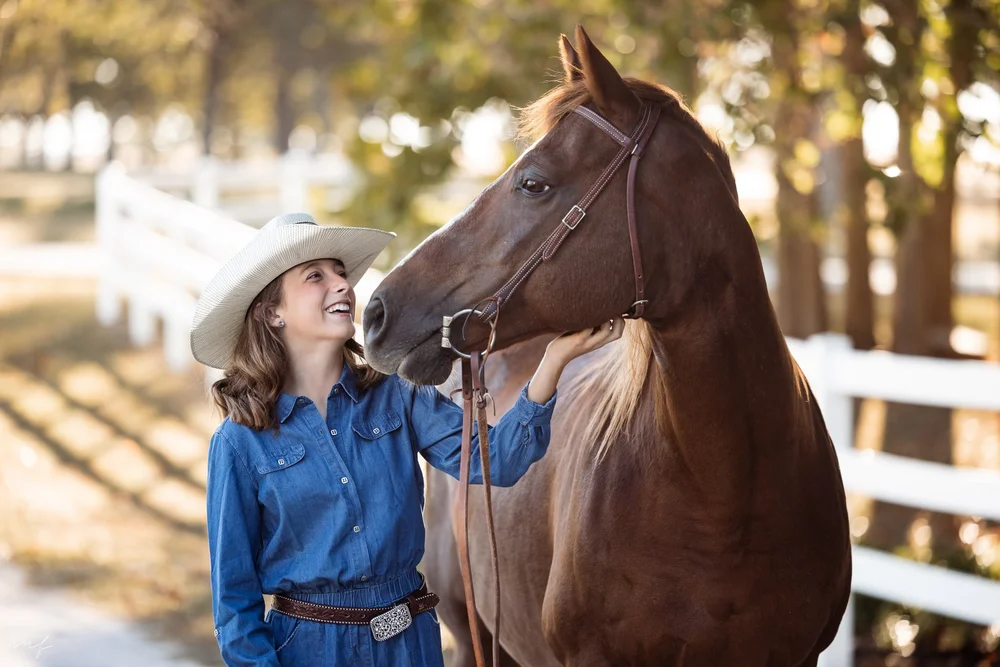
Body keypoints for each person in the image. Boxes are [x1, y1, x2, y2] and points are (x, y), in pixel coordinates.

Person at [190, 212, 624, 666]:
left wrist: (554, 361)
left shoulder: (397, 394)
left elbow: (498, 459)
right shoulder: (240, 443)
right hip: (310, 651)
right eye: (315, 277)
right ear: (272, 312)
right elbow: (234, 606)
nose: (341, 285)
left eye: (340, 273)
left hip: (409, 644)